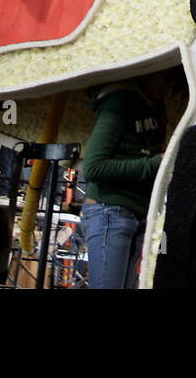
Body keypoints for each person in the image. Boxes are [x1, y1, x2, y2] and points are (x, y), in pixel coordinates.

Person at [81, 72, 171, 289]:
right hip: (110, 212)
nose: (167, 86)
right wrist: (156, 163)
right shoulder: (119, 103)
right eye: (165, 78)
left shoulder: (155, 107)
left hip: (136, 214)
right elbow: (93, 167)